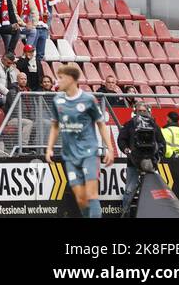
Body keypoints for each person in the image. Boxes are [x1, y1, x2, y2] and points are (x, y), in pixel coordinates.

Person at [45, 64, 114, 218]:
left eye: (60, 78)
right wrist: (49, 148)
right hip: (69, 155)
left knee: (91, 194)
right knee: (81, 199)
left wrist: (110, 149)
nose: (58, 81)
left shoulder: (88, 99)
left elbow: (101, 124)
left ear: (71, 79)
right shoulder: (57, 100)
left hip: (89, 152)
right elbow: (55, 125)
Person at [116, 100, 166, 216]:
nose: (142, 113)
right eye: (140, 111)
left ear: (148, 112)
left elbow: (162, 143)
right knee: (130, 190)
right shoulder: (129, 124)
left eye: (144, 111)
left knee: (153, 190)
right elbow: (121, 139)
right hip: (133, 162)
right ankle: (125, 212)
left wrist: (157, 158)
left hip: (151, 163)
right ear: (135, 111)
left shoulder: (154, 126)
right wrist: (126, 150)